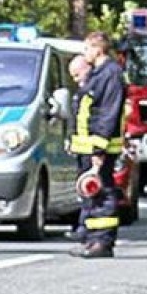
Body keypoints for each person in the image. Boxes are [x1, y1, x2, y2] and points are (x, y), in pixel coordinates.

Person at [69, 31, 126, 259]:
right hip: (88, 146)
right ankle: (92, 239)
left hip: (99, 148)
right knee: (92, 194)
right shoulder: (98, 74)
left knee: (102, 193)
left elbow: (108, 114)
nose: (85, 54)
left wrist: (99, 149)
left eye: (86, 49)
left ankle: (102, 241)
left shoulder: (111, 75)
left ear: (97, 49)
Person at [65, 54, 92, 241]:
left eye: (77, 75)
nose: (76, 80)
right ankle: (84, 226)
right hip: (83, 148)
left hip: (93, 148)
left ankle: (86, 228)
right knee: (84, 191)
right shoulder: (83, 92)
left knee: (91, 191)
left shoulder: (93, 90)